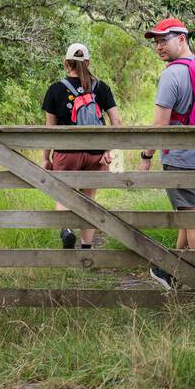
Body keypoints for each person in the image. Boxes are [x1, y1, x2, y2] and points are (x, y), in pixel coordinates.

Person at [140, 18, 195, 289]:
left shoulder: (172, 74)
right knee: (188, 214)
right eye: (156, 41)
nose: (159, 46)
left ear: (182, 39)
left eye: (164, 40)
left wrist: (146, 156)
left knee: (193, 219)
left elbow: (160, 125)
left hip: (182, 158)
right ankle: (173, 270)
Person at [40, 42, 122, 250]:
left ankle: (67, 230)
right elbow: (117, 122)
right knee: (89, 200)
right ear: (88, 62)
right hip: (96, 155)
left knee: (63, 194)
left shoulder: (55, 89)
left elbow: (49, 129)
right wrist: (108, 151)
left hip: (66, 154)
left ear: (66, 62)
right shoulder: (102, 88)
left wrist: (45, 158)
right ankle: (86, 247)